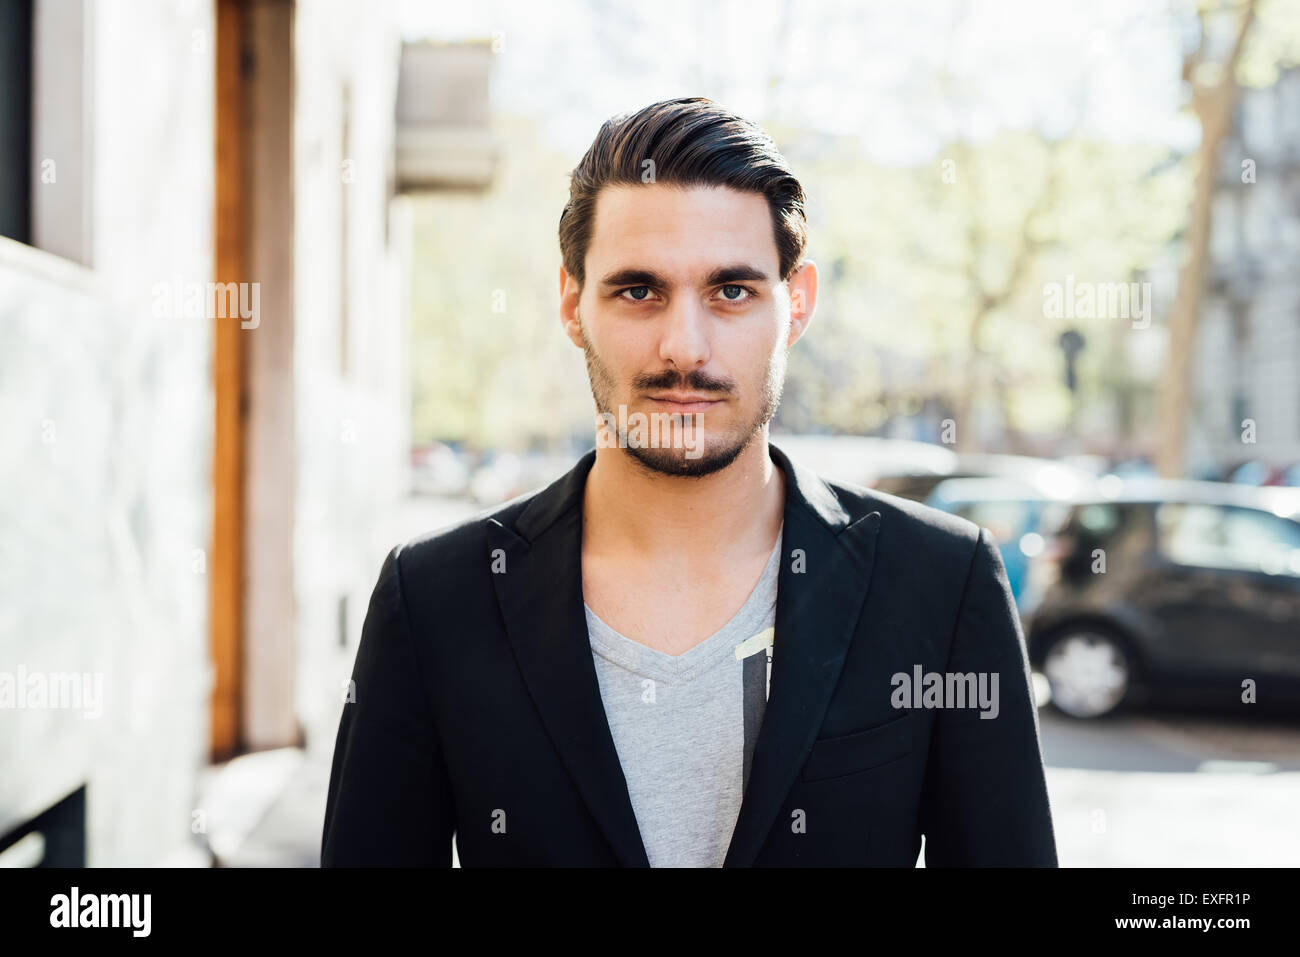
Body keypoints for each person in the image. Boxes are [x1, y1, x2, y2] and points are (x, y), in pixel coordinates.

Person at [321, 96, 1057, 867]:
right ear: (573, 304)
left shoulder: (940, 584)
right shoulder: (436, 597)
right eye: (638, 290)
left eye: (731, 291)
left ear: (795, 304)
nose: (684, 346)